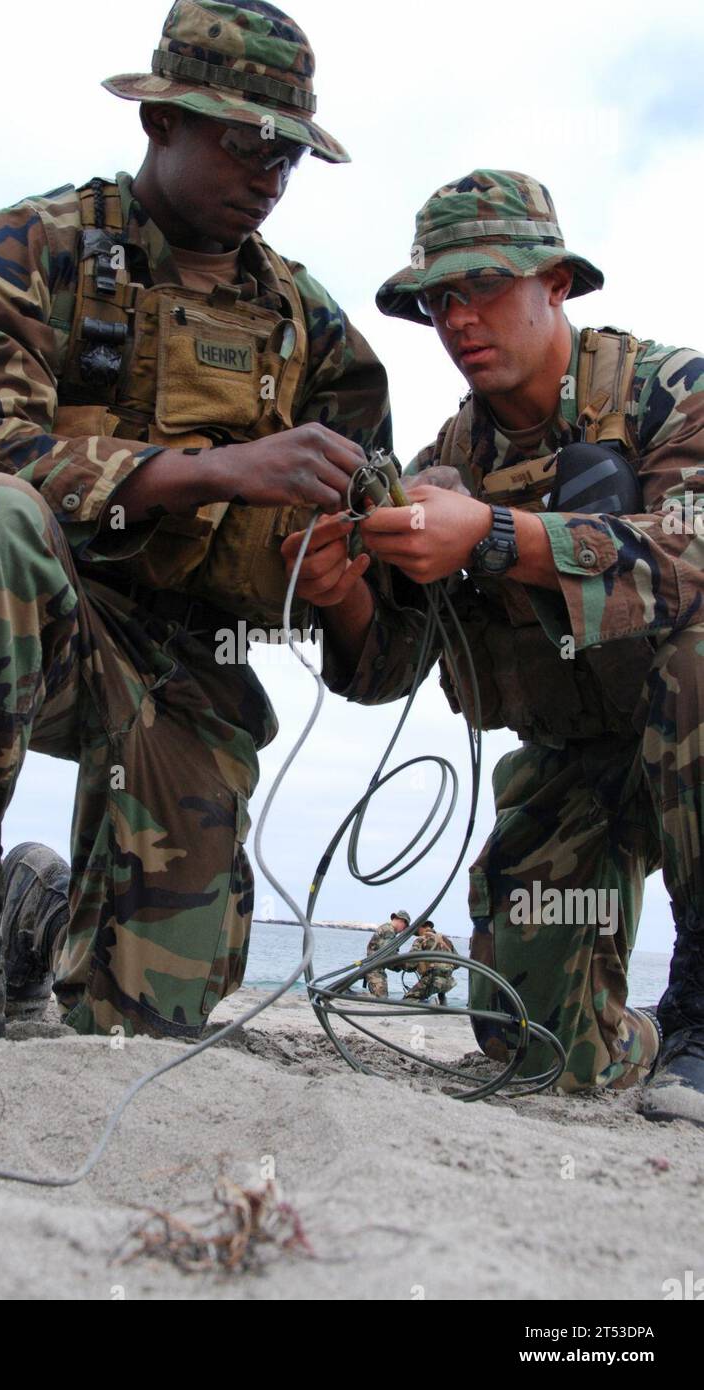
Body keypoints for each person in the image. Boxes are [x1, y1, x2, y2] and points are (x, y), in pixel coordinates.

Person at [0, 0, 424, 1042]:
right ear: (161, 122)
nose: (271, 174)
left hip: (194, 676)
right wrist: (204, 472)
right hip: (44, 618)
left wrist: (344, 588)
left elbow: (384, 655)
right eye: (246, 140)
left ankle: (39, 923)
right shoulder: (35, 250)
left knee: (144, 1024)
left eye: (289, 153)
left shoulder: (318, 336)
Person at [286, 169, 704, 1125]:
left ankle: (701, 1008)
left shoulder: (670, 392)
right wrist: (345, 595)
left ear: (554, 282)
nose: (458, 318)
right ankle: (641, 1033)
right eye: (440, 299)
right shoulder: (447, 458)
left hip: (687, 726)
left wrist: (496, 537)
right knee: (540, 1049)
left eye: (484, 287)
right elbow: (391, 665)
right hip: (578, 764)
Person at [403, 920, 458, 1005]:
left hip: (432, 980)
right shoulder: (446, 940)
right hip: (449, 983)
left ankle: (430, 1005)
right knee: (440, 992)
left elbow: (410, 964)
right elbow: (457, 964)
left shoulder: (421, 939)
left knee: (408, 1000)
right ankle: (442, 1007)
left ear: (420, 928)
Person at [364, 910, 411, 998]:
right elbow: (389, 953)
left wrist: (396, 966)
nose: (403, 930)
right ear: (401, 921)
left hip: (375, 968)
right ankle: (354, 996)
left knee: (381, 997)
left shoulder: (387, 929)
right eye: (404, 927)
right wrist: (403, 964)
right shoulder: (389, 930)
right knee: (381, 998)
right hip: (374, 969)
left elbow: (385, 954)